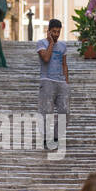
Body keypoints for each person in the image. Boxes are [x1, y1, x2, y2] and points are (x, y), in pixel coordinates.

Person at [35, 18, 69, 150]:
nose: (56, 34)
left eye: (58, 32)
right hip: (47, 81)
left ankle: (56, 137)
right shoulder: (41, 44)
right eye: (54, 31)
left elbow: (64, 64)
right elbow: (46, 58)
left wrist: (67, 82)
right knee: (46, 112)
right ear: (48, 31)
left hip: (61, 82)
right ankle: (44, 139)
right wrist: (50, 43)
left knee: (65, 111)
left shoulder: (63, 46)